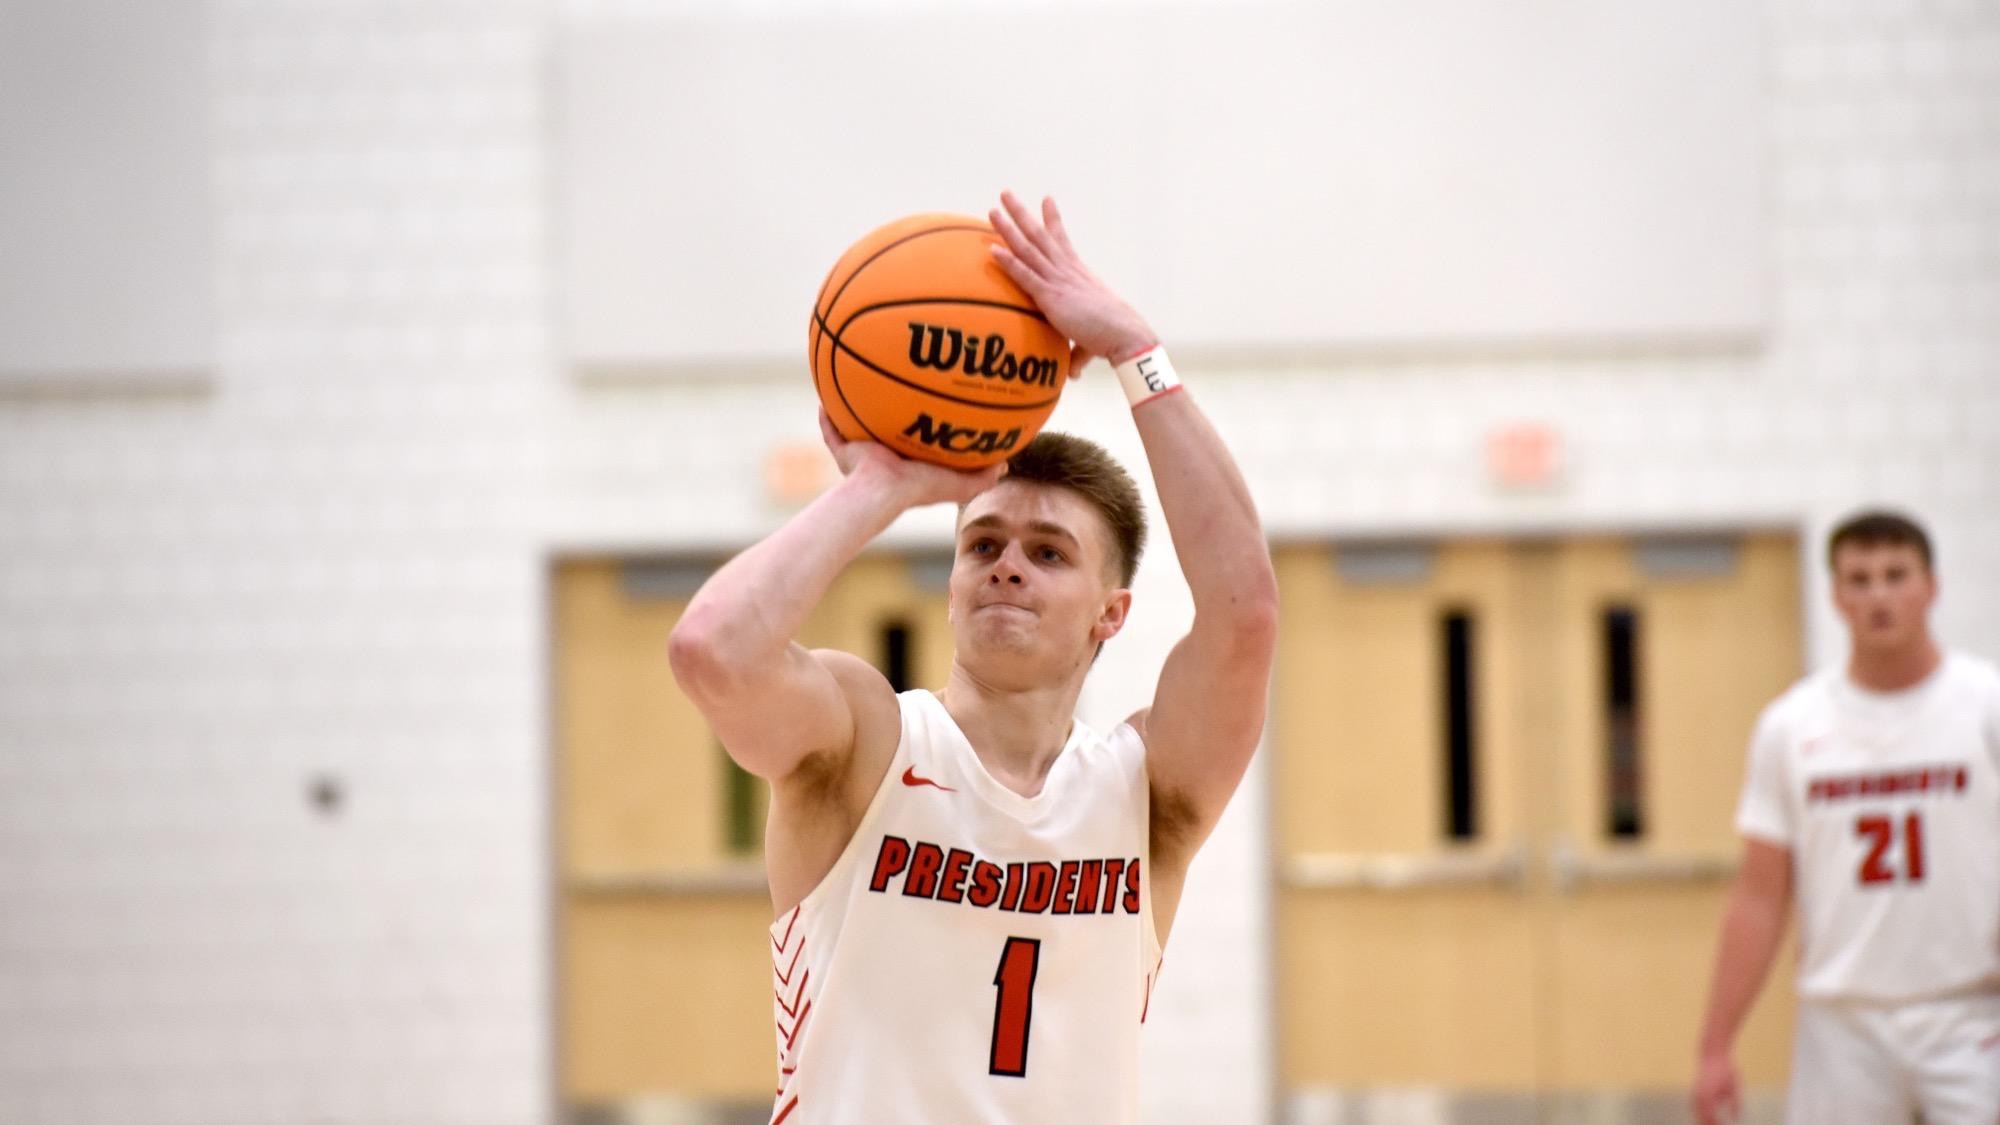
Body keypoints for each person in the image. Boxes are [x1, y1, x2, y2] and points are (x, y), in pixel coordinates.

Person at [668, 191, 1279, 1124]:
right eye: (982, 544)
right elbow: (713, 650)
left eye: (1048, 552)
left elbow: (1245, 619)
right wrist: (881, 486)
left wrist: (1133, 350)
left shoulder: (1147, 792)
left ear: (1110, 614)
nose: (1006, 568)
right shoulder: (866, 740)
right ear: (950, 583)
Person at [1692, 510, 2000, 1124]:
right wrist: (1715, 1045)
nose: (1879, 595)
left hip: (1971, 1010)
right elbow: (1758, 895)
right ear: (1835, 596)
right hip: (1841, 1020)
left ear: (1931, 587)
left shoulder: (1985, 705)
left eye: (1895, 575)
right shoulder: (1791, 725)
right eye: (1859, 579)